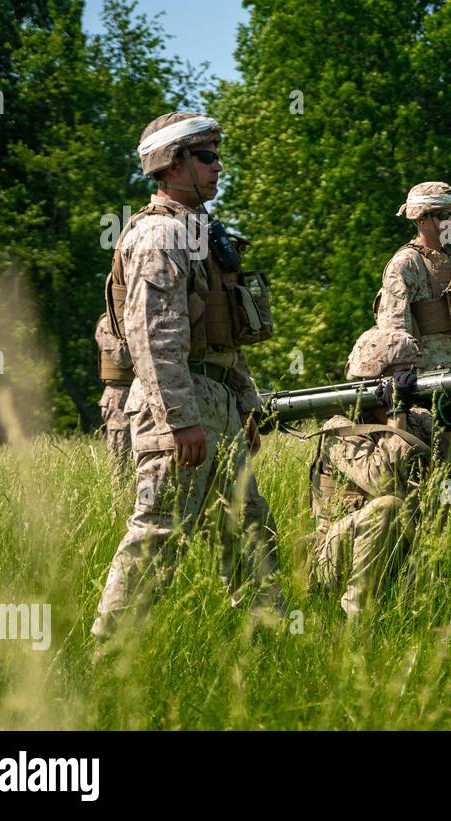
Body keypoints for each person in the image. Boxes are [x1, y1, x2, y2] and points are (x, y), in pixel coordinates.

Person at [91, 110, 284, 640]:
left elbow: (225, 336)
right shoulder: (159, 236)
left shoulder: (202, 235)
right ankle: (109, 658)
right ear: (172, 164)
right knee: (158, 536)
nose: (219, 166)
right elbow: (154, 341)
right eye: (207, 156)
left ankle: (268, 647)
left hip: (216, 400)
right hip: (177, 407)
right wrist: (179, 420)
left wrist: (245, 405)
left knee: (248, 532)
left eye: (217, 154)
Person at [309, 327, 433, 616]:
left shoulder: (417, 420)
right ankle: (356, 622)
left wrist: (449, 422)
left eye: (412, 373)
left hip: (402, 545)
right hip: (336, 555)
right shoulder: (340, 429)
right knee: (386, 506)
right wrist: (396, 416)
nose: (410, 382)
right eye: (402, 375)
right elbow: (382, 480)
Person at [373, 181, 451, 459]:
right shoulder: (405, 264)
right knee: (437, 461)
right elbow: (393, 328)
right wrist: (404, 380)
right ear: (421, 218)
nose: (450, 221)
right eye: (442, 214)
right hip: (427, 383)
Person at [94, 312, 133, 474]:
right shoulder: (109, 322)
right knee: (122, 468)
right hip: (120, 398)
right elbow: (122, 358)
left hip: (145, 395)